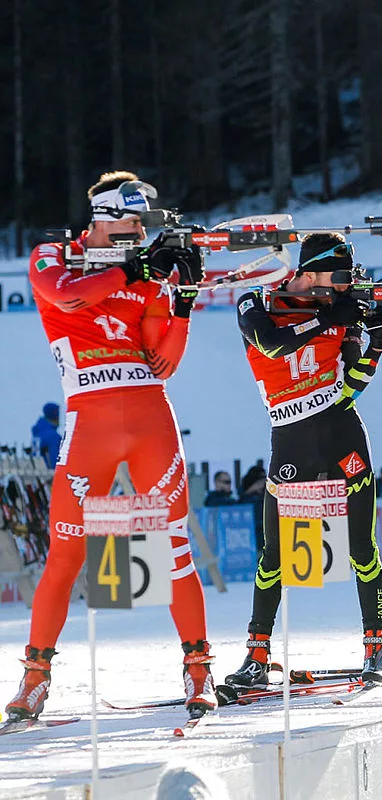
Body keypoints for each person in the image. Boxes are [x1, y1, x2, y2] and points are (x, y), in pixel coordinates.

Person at [7, 170, 215, 722]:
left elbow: (163, 360)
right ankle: (34, 678)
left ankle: (199, 671)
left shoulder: (144, 275)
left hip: (149, 416)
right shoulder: (55, 254)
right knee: (67, 552)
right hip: (88, 420)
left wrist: (183, 301)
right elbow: (64, 296)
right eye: (131, 220)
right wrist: (130, 268)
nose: (139, 230)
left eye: (143, 223)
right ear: (103, 216)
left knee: (173, 548)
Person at [225, 232, 382, 690]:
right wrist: (328, 319)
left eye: (347, 278)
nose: (344, 285)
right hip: (290, 441)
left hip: (341, 432)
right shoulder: (255, 302)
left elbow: (354, 383)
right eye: (338, 276)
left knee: (363, 548)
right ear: (310, 272)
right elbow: (273, 343)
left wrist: (374, 337)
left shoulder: (341, 307)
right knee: (272, 556)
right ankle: (257, 655)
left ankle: (376, 647)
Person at [239, 465, 267, 553]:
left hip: (264, 544)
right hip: (249, 544)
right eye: (259, 483)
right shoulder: (244, 501)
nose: (261, 486)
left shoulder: (265, 498)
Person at [30, 403, 61, 469]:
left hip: (37, 473)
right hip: (50, 475)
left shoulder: (37, 435)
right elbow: (55, 460)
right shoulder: (53, 437)